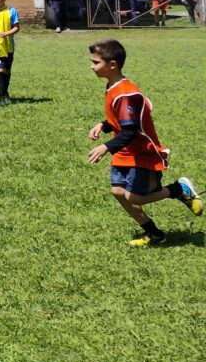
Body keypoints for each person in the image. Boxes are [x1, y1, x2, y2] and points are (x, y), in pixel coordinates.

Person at [86, 37, 200, 244]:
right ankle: (154, 233)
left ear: (112, 65)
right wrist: (104, 125)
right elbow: (122, 120)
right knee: (118, 192)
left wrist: (105, 147)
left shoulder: (125, 94)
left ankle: (178, 189)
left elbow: (130, 130)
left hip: (141, 153)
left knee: (134, 197)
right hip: (125, 151)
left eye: (95, 62)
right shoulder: (114, 86)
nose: (91, 66)